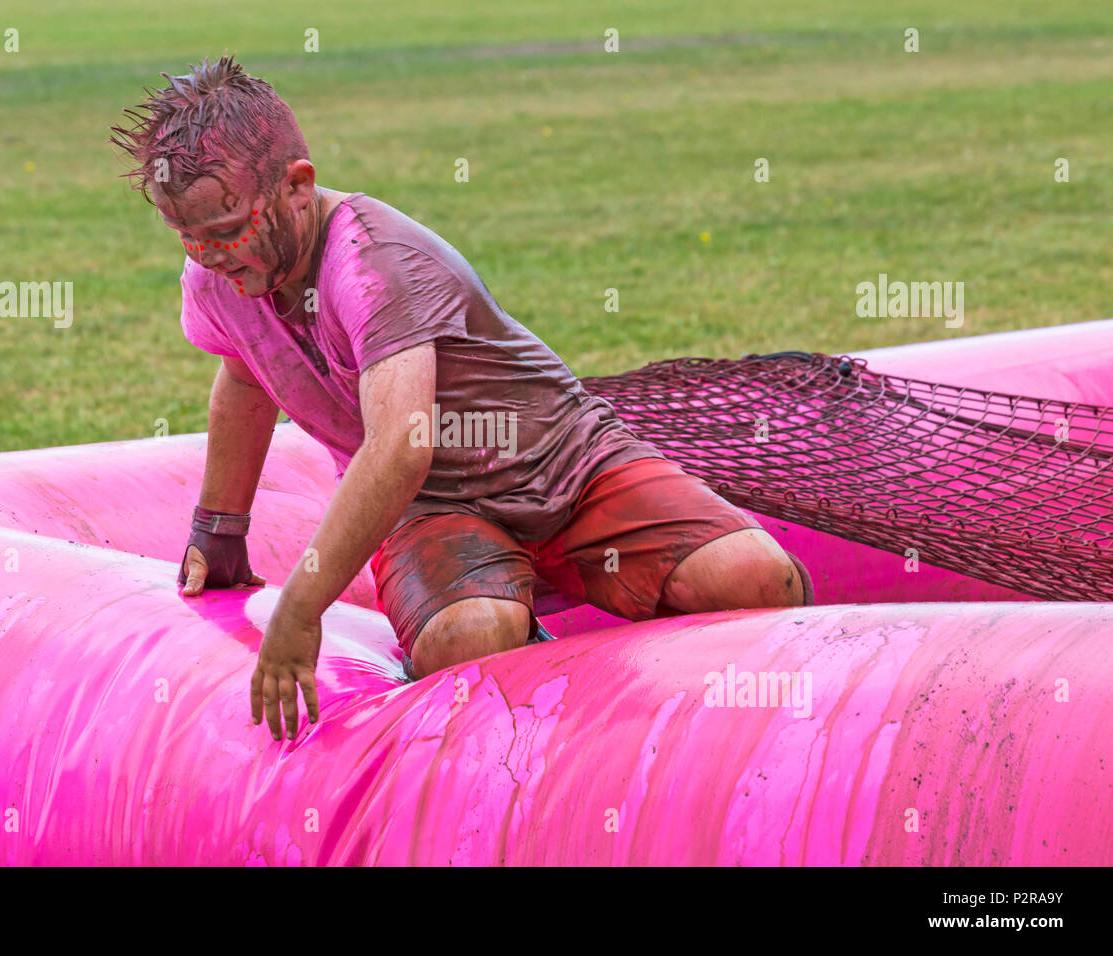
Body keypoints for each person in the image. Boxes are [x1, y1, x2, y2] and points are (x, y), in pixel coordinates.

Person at [111, 56, 811, 742]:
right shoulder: (216, 278)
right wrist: (219, 527)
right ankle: (518, 662)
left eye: (230, 229)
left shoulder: (373, 262)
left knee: (757, 579)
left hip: (565, 462)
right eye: (189, 236)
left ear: (298, 186)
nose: (212, 256)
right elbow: (244, 374)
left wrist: (300, 605)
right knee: (471, 640)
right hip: (434, 509)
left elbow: (400, 446)